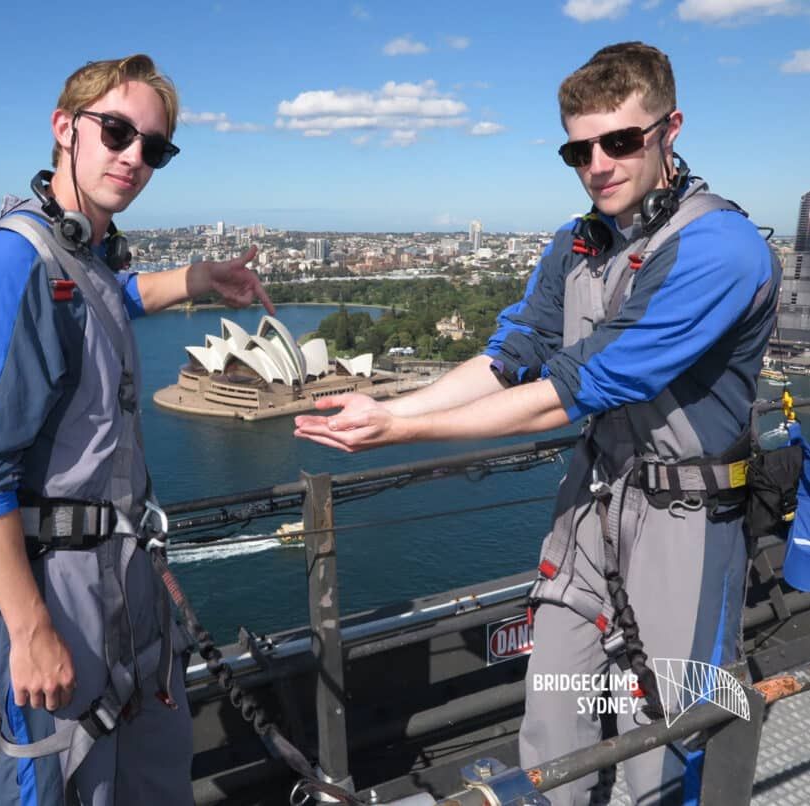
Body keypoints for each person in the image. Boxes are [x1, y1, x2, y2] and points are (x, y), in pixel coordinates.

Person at [295, 41, 780, 805]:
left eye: (619, 141)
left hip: (685, 525)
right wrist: (390, 408)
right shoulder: (576, 243)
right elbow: (512, 355)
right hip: (589, 507)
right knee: (555, 714)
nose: (598, 163)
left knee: (667, 730)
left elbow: (579, 384)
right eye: (578, 149)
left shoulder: (717, 247)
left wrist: (402, 434)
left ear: (669, 129)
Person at [0, 54, 274, 806]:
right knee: (60, 776)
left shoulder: (78, 253)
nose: (133, 157)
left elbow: (104, 296)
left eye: (154, 147)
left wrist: (199, 279)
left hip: (124, 574)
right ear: (64, 127)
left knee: (152, 773)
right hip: (52, 584)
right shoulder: (9, 266)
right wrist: (28, 631)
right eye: (116, 131)